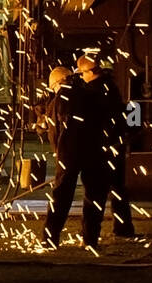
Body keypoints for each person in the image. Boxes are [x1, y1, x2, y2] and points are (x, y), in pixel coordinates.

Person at [42, 62, 113, 250]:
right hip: (95, 152)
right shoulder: (89, 93)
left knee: (61, 197)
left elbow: (54, 133)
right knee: (94, 197)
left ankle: (50, 239)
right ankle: (90, 240)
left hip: (68, 154)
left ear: (57, 83)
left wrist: (58, 152)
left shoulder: (57, 100)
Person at [77, 56, 135, 237]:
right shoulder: (112, 87)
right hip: (116, 146)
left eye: (82, 74)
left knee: (94, 193)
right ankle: (124, 229)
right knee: (118, 190)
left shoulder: (89, 92)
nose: (81, 77)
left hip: (98, 150)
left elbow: (86, 123)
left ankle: (89, 235)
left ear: (90, 72)